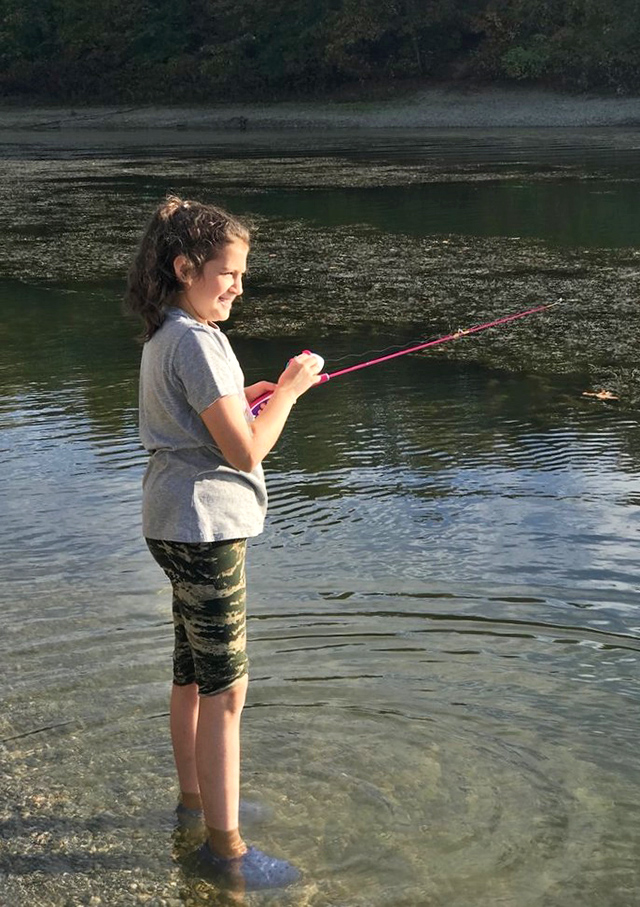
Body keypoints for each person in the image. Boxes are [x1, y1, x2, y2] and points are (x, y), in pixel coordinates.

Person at [125, 195, 321, 890]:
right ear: (184, 267)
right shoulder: (198, 342)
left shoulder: (168, 331)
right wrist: (291, 392)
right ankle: (227, 848)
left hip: (171, 523)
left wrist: (249, 397)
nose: (239, 285)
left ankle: (195, 802)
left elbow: (203, 422)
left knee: (190, 674)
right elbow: (242, 453)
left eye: (242, 273)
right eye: (228, 273)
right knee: (227, 690)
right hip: (205, 531)